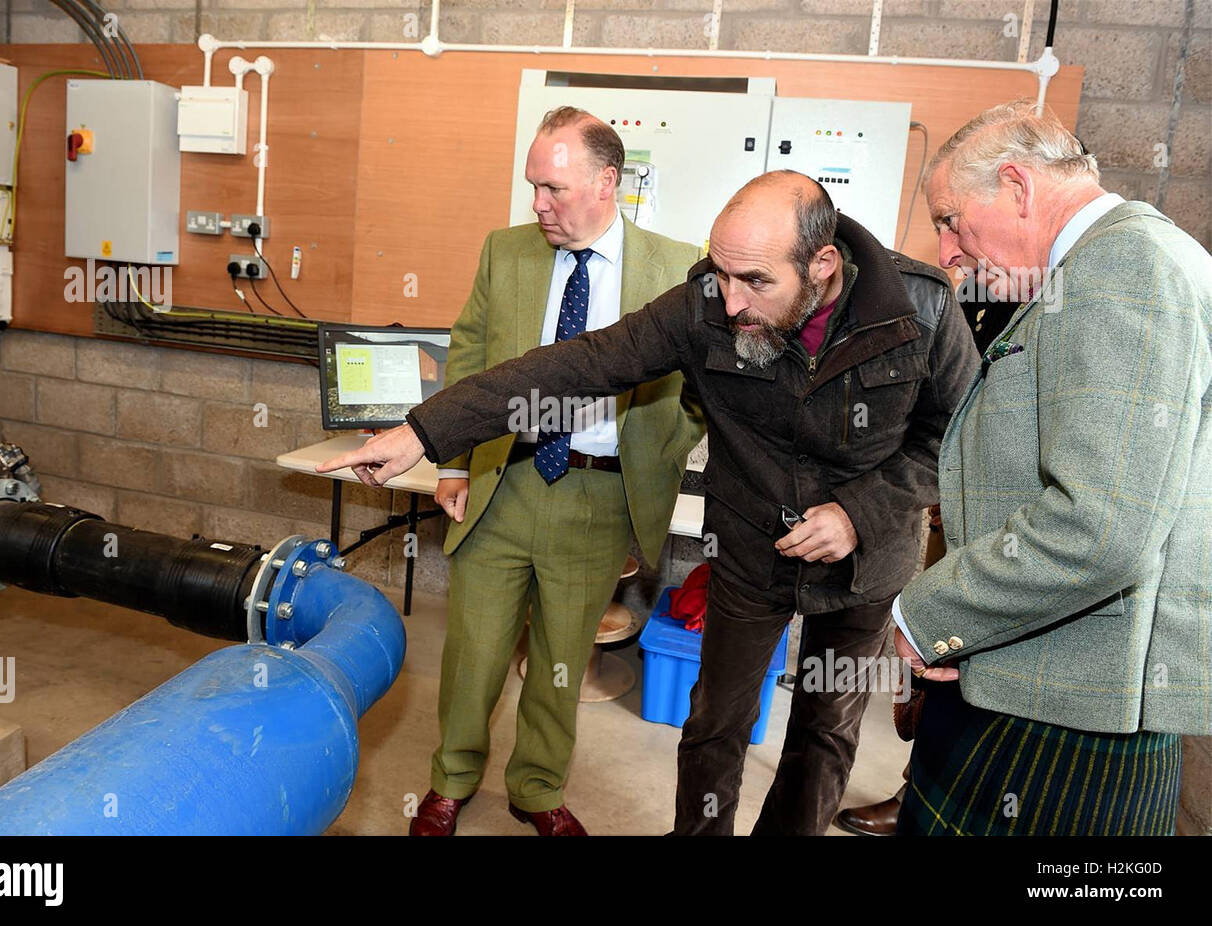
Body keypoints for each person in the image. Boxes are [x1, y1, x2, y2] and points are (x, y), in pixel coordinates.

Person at [319, 169, 980, 835]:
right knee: (715, 724)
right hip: (751, 552)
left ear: (823, 264)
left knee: (824, 730)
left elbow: (958, 437)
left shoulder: (919, 310)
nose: (729, 302)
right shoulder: (702, 304)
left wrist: (858, 512)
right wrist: (422, 432)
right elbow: (576, 366)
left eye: (755, 281)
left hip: (866, 565)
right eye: (721, 274)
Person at [893, 100, 1212, 835]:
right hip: (1053, 676)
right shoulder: (1121, 261)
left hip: (1064, 704)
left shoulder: (1124, 266)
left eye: (948, 219)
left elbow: (1098, 527)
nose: (945, 251)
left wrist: (926, 612)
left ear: (1016, 185)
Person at [403, 106, 704, 836]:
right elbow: (468, 354)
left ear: (608, 181)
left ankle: (536, 789)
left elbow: (702, 385)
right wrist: (450, 462)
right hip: (503, 481)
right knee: (473, 649)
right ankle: (451, 779)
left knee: (563, 658)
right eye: (533, 185)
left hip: (601, 497)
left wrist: (665, 449)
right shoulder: (507, 253)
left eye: (555, 188)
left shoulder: (675, 265)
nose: (538, 204)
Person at [836, 282, 1022, 837]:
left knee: (992, 676)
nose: (947, 252)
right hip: (956, 504)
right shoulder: (968, 294)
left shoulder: (1060, 293)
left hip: (1023, 522)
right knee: (935, 667)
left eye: (953, 224)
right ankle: (917, 792)